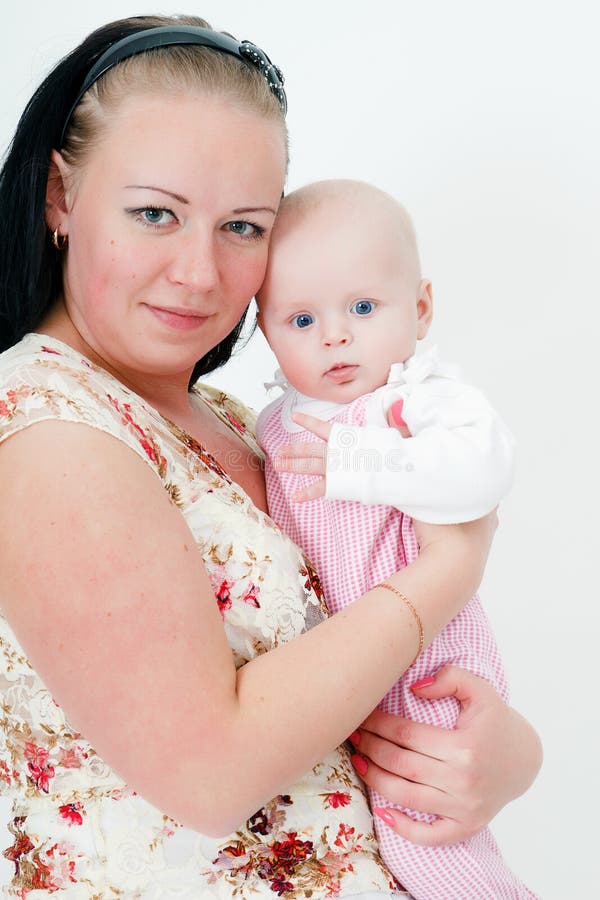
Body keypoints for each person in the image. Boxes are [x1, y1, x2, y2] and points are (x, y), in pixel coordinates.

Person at [0, 14, 541, 899]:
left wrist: (498, 758)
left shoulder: (239, 420)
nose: (200, 273)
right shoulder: (49, 430)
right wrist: (455, 561)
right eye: (154, 214)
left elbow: (346, 682)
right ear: (61, 197)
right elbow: (207, 773)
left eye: (244, 227)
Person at [255, 179, 536, 898]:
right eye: (301, 319)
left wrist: (360, 461)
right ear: (263, 329)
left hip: (430, 670)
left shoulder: (419, 401)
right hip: (345, 679)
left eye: (362, 308)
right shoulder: (272, 426)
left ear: (420, 308)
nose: (335, 336)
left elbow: (483, 470)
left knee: (430, 839)